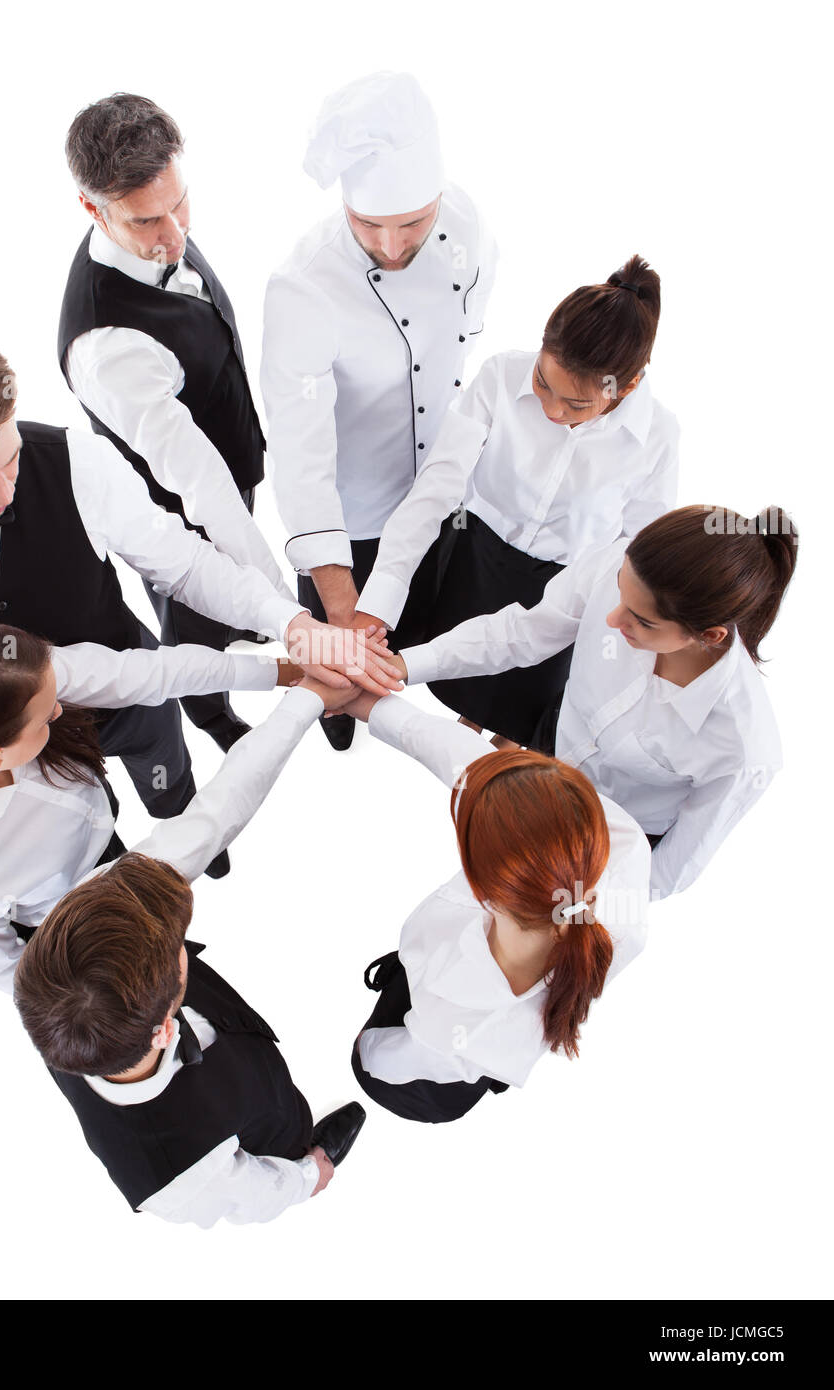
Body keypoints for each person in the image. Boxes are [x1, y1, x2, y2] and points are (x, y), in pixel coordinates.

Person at [0, 323, 401, 875]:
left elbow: (185, 563)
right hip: (16, 741)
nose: (5, 491)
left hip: (137, 691)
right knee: (83, 838)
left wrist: (291, 622)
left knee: (169, 778)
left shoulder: (77, 460)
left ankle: (186, 828)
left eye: (11, 458)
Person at [14, 680, 368, 1227]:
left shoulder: (78, 968)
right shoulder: (171, 1180)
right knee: (283, 1124)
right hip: (254, 1129)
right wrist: (305, 1177)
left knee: (271, 1080)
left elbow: (220, 805)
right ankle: (304, 1140)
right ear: (163, 1027)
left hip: (220, 1041)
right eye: (177, 945)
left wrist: (307, 694)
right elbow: (252, 1195)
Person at [389, 505, 797, 898]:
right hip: (560, 744)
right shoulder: (620, 560)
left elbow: (667, 872)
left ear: (709, 636)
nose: (612, 619)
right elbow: (521, 633)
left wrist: (585, 903)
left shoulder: (744, 748)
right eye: (619, 591)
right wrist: (403, 665)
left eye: (642, 621)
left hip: (607, 839)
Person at [262, 70, 497, 750]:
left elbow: (469, 342)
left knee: (434, 624)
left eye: (413, 224)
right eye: (369, 225)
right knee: (340, 679)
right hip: (348, 515)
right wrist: (342, 612)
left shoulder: (469, 232)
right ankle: (341, 721)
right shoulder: (303, 288)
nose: (392, 248)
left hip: (439, 490)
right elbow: (302, 458)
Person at [356, 254, 680, 747]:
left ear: (627, 386)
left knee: (516, 717)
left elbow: (635, 552)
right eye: (542, 384)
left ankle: (496, 731)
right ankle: (467, 709)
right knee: (456, 663)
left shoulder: (657, 436)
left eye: (575, 405)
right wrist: (377, 603)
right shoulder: (500, 377)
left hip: (562, 587)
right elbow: (435, 490)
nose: (551, 410)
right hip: (476, 553)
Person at [60, 92, 289, 752]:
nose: (174, 234)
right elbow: (198, 480)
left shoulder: (161, 229)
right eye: (146, 221)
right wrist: (283, 609)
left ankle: (244, 622)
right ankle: (212, 715)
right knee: (195, 632)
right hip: (176, 517)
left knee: (239, 576)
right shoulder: (106, 346)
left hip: (227, 470)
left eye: (179, 202)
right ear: (90, 208)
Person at [0, 622, 302, 990]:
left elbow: (155, 672)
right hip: (84, 926)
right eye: (44, 721)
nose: (59, 711)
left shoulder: (12, 676)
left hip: (96, 830)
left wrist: (281, 672)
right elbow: (20, 978)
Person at [339, 692, 650, 1122]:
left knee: (375, 1069)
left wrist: (363, 1048)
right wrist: (373, 706)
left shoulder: (448, 1022)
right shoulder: (624, 851)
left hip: (424, 1071)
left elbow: (389, 1062)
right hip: (470, 1052)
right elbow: (481, 772)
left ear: (480, 887)